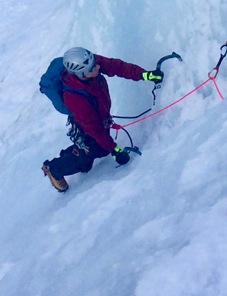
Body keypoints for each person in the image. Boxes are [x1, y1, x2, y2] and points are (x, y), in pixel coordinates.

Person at [42, 47, 163, 192]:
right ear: (81, 73)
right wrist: (115, 150)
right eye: (93, 67)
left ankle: (77, 152)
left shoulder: (90, 63)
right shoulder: (73, 97)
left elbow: (118, 67)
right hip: (85, 122)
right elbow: (94, 128)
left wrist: (144, 75)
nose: (98, 66)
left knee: (98, 149)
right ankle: (54, 168)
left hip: (99, 116)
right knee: (88, 159)